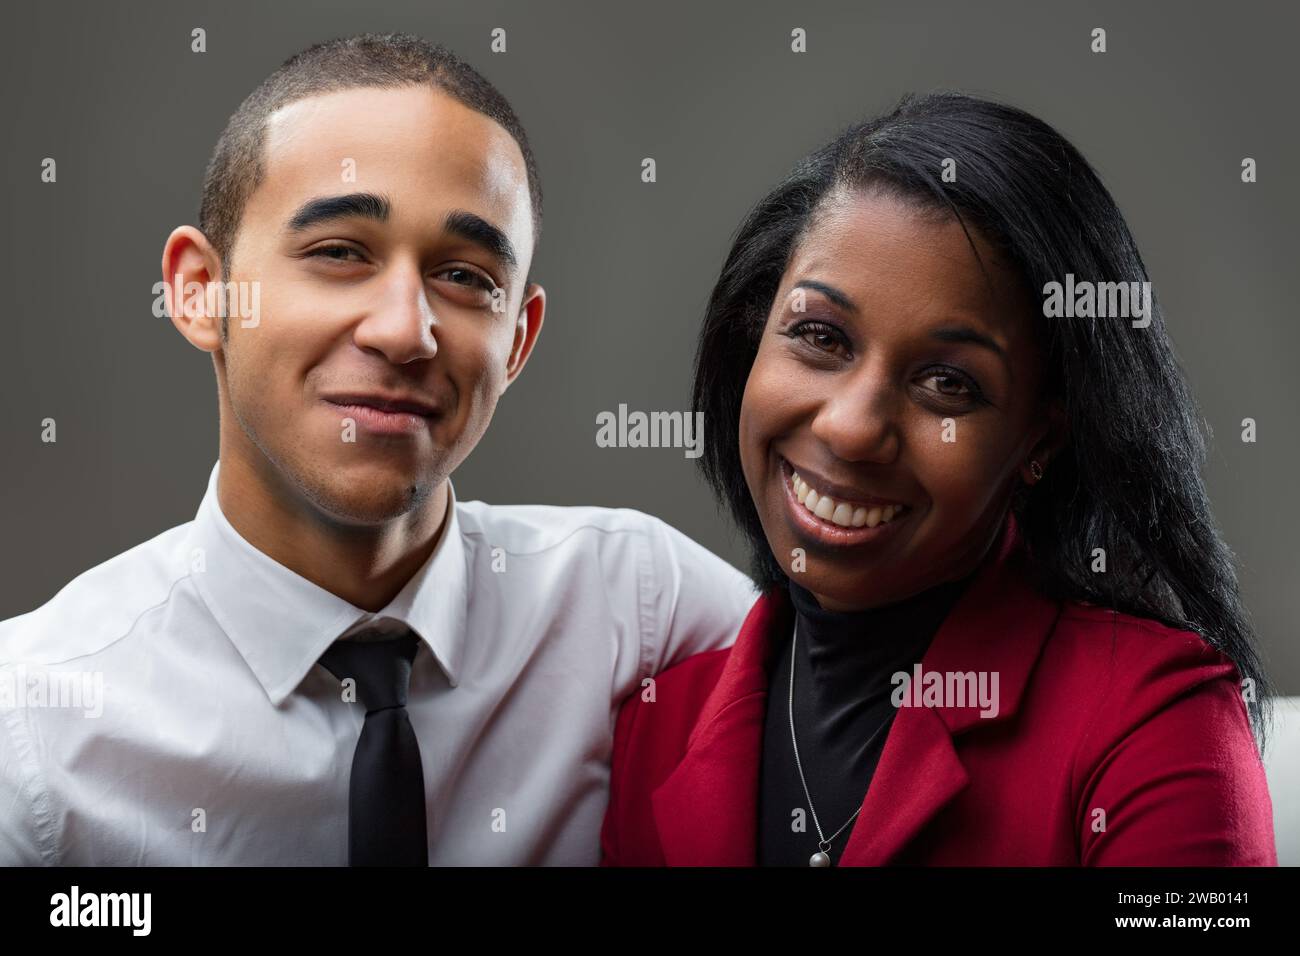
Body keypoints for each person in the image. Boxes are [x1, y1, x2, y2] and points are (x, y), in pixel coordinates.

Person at [0, 33, 756, 865]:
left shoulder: (640, 614)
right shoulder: (32, 731)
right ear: (200, 292)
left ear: (517, 339)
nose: (404, 331)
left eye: (466, 277)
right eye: (338, 252)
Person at [600, 91, 1278, 866]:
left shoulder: (1157, 725)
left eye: (949, 383)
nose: (852, 428)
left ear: (1039, 439)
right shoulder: (656, 725)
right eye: (820, 336)